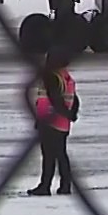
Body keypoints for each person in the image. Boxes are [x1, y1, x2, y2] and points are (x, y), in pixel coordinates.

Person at [25, 48, 79, 196]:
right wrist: (71, 114)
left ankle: (45, 185)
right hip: (62, 122)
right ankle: (65, 184)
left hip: (50, 121)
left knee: (48, 155)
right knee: (60, 154)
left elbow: (55, 99)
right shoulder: (66, 77)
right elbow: (74, 99)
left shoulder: (52, 77)